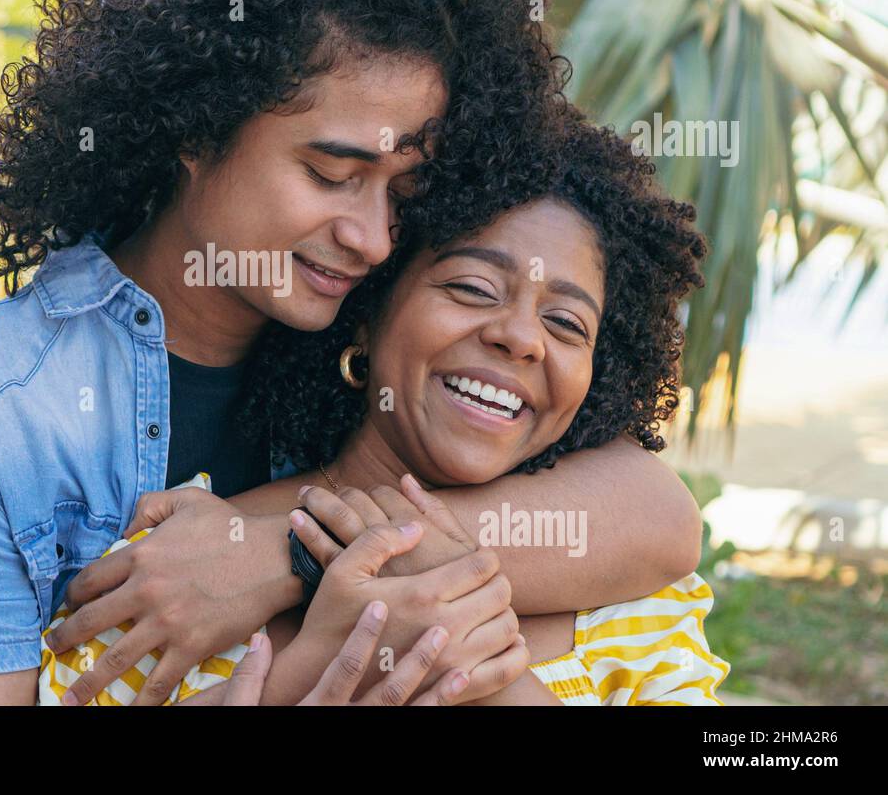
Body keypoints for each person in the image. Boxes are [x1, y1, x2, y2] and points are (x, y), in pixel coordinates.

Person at [0, 0, 702, 706]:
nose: (372, 237)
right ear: (199, 127)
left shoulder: (378, 329)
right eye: (332, 173)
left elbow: (653, 512)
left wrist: (281, 553)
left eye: (404, 192)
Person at [39, 110, 729, 705]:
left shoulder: (632, 599)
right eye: (472, 287)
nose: (520, 337)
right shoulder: (179, 577)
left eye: (568, 325)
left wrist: (477, 666)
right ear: (366, 316)